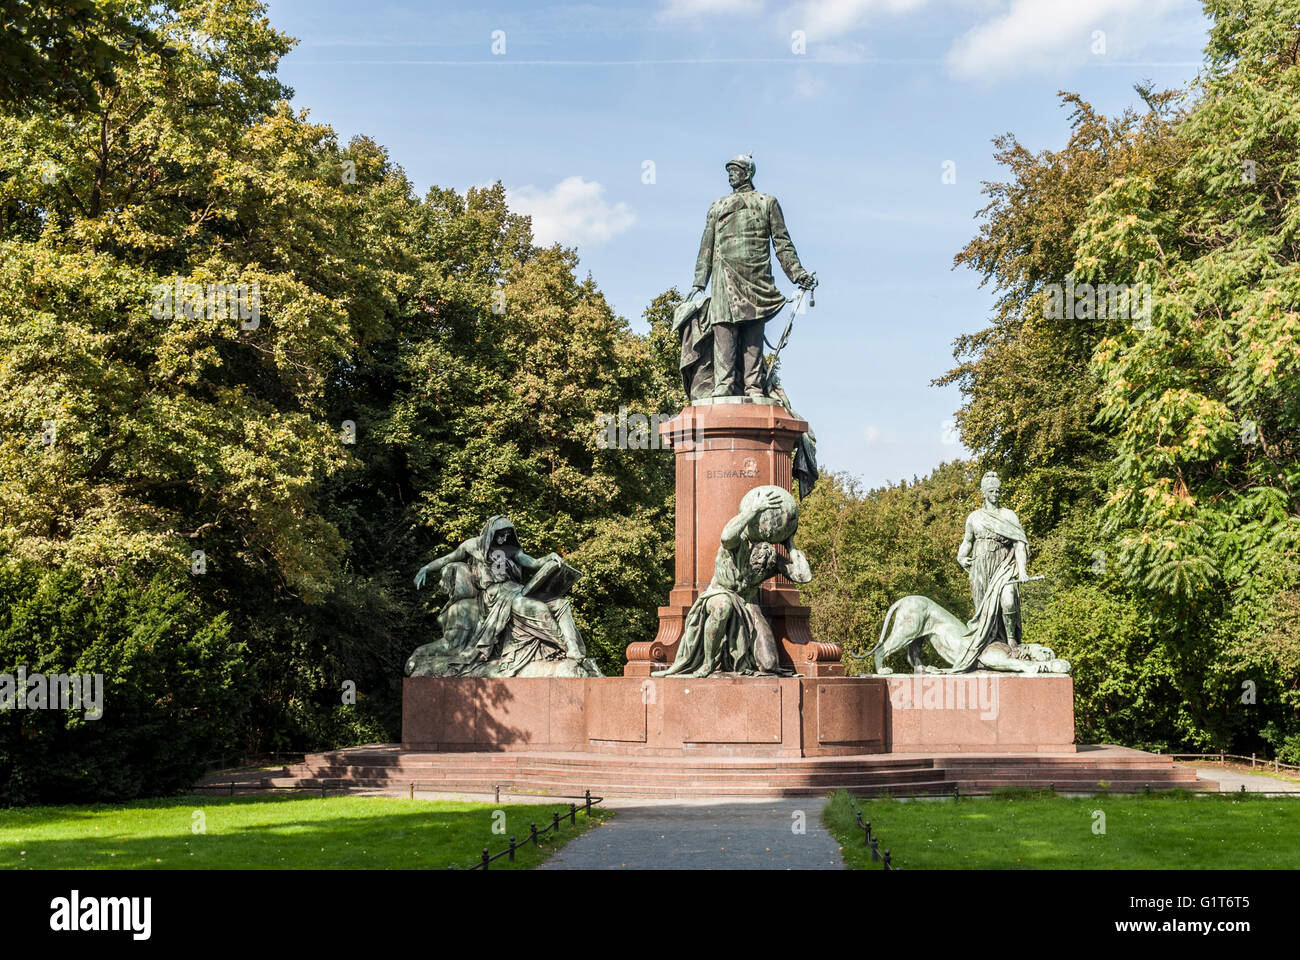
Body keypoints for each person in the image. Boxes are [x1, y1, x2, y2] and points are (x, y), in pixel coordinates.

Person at [689, 155, 816, 398]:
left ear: (747, 173)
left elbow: (782, 243)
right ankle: (723, 386)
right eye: (728, 171)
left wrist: (798, 274)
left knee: (752, 336)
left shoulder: (767, 203)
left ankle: (754, 387)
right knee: (723, 331)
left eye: (734, 170)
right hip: (723, 278)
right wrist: (698, 282)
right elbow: (706, 246)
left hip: (756, 279)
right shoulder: (717, 206)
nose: (730, 175)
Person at [653, 487, 812, 677]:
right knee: (723, 606)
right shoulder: (737, 544)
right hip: (719, 593)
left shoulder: (769, 558)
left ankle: (741, 660)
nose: (761, 567)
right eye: (758, 564)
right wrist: (753, 510)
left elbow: (803, 577)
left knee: (769, 664)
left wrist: (790, 544)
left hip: (748, 604)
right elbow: (726, 536)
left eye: (763, 566)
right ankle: (708, 663)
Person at [414, 516, 597, 676]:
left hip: (517, 589)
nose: (503, 538)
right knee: (537, 609)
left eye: (506, 535)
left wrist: (549, 557)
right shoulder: (472, 545)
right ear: (491, 533)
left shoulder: (511, 549)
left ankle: (574, 649)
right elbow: (448, 558)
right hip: (496, 597)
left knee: (561, 603)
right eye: (500, 534)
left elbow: (533, 563)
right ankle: (565, 647)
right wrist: (425, 568)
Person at [953, 472, 1030, 665]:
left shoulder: (1008, 515)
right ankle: (987, 646)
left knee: (1008, 601)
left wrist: (1022, 570)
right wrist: (961, 556)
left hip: (1004, 565)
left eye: (998, 491)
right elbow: (967, 541)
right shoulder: (975, 517)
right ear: (984, 493)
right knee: (984, 611)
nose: (996, 494)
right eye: (992, 491)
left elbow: (1020, 543)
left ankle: (1011, 640)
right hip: (980, 567)